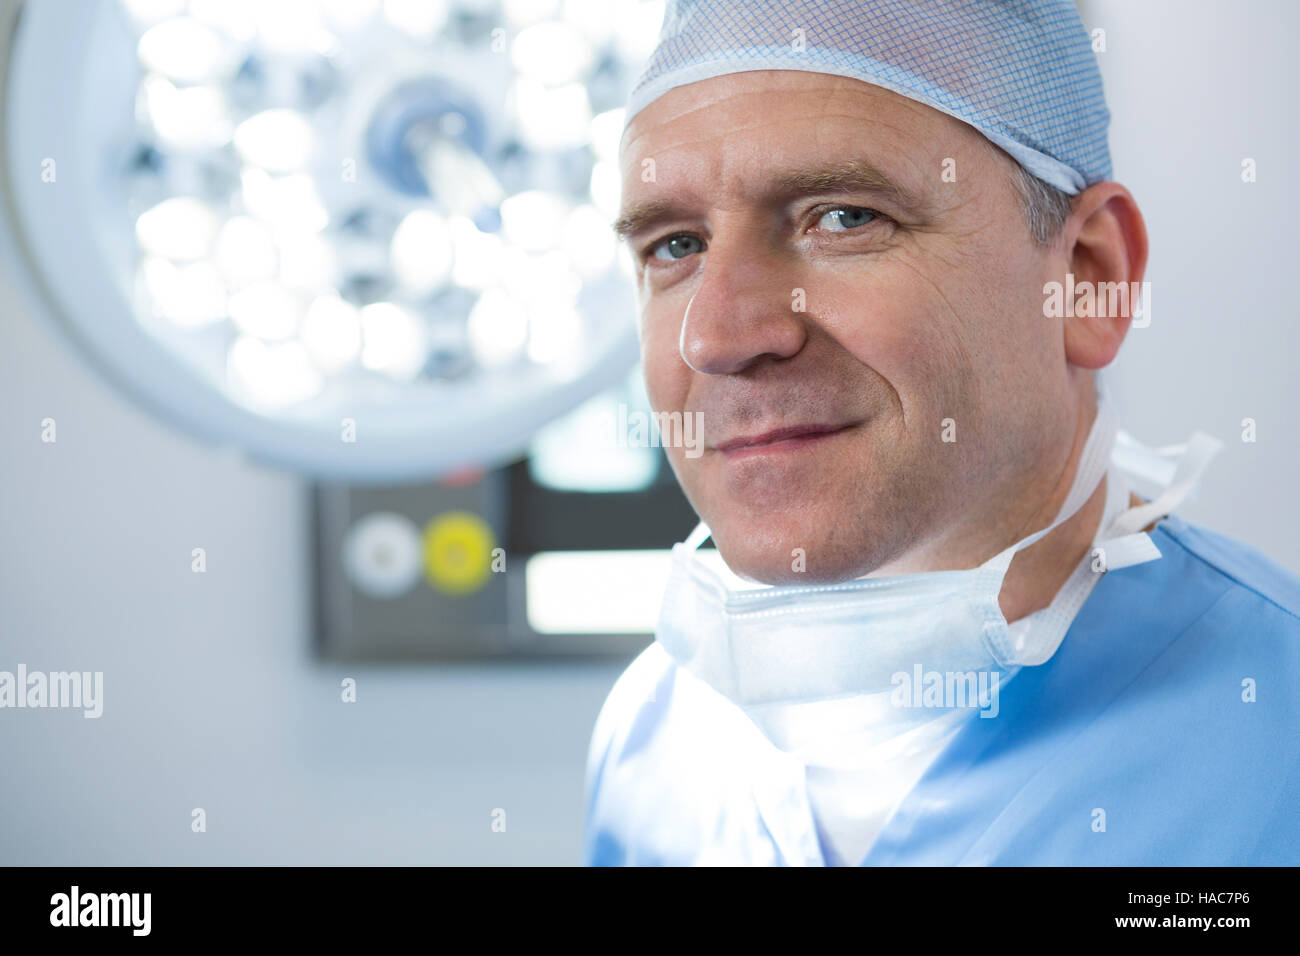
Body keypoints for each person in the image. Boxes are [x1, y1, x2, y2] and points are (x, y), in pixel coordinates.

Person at [583, 0, 1300, 866]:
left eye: (842, 217)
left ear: (1086, 280)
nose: (718, 335)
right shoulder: (650, 747)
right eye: (674, 245)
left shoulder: (1274, 736)